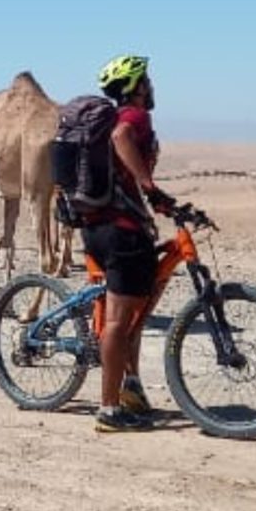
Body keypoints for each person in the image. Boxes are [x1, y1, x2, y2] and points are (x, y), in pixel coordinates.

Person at [81, 56, 177, 433]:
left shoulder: (125, 118)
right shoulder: (134, 118)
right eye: (146, 80)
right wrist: (151, 189)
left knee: (132, 316)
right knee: (120, 324)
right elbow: (121, 139)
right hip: (117, 230)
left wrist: (159, 200)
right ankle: (109, 410)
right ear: (134, 86)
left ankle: (132, 390)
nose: (150, 86)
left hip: (110, 226)